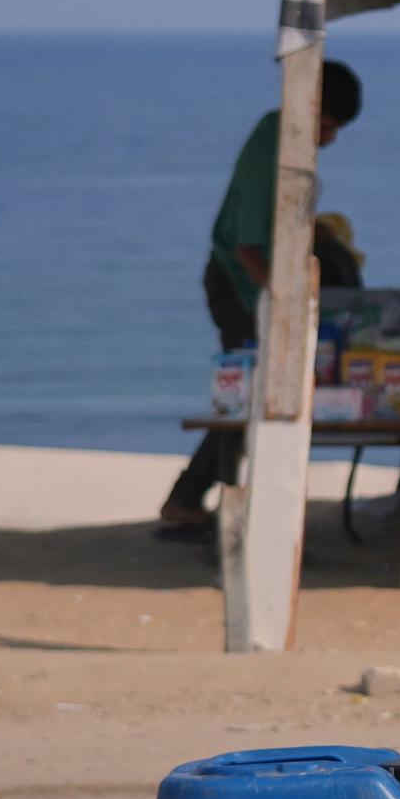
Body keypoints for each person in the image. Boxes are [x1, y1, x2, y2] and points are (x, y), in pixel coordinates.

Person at [161, 62, 362, 541]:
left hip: (258, 285)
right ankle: (208, 505)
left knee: (252, 396)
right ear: (310, 108)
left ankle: (190, 498)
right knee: (248, 396)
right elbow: (247, 246)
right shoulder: (273, 144)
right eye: (329, 127)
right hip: (239, 286)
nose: (330, 140)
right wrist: (281, 308)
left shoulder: (286, 140)